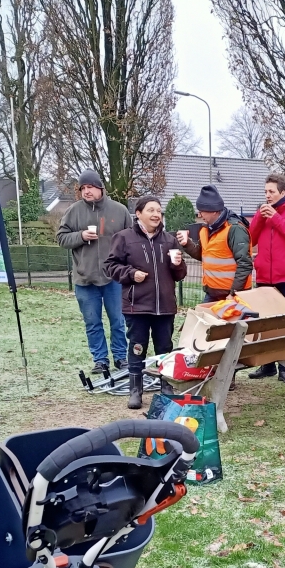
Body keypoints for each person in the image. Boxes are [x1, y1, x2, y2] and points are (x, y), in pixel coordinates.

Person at [104, 195, 187, 409]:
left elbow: (179, 274)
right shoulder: (124, 238)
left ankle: (166, 386)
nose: (156, 214)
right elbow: (110, 266)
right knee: (137, 346)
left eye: (159, 211)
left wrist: (178, 264)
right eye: (151, 210)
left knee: (165, 347)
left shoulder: (169, 240)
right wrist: (131, 273)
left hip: (165, 306)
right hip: (137, 305)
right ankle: (135, 389)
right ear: (138, 213)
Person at [56, 170, 131, 376]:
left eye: (90, 187)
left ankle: (121, 357)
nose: (86, 191)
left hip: (114, 278)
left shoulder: (119, 210)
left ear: (100, 188)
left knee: (118, 320)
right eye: (83, 188)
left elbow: (131, 240)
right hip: (85, 278)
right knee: (92, 322)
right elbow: (61, 238)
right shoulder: (73, 211)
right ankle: (100, 360)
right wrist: (80, 235)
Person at [248, 173, 285, 382]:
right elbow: (251, 239)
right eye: (265, 192)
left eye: (271, 191)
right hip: (265, 277)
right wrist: (259, 217)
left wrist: (276, 218)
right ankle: (267, 366)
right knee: (264, 322)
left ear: (283, 192)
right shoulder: (262, 213)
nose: (267, 195)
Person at [177, 185, 253, 302]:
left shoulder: (235, 229)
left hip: (233, 296)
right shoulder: (205, 229)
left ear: (213, 211)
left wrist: (234, 293)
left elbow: (244, 264)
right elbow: (204, 255)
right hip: (212, 294)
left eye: (202, 211)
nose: (199, 215)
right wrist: (187, 243)